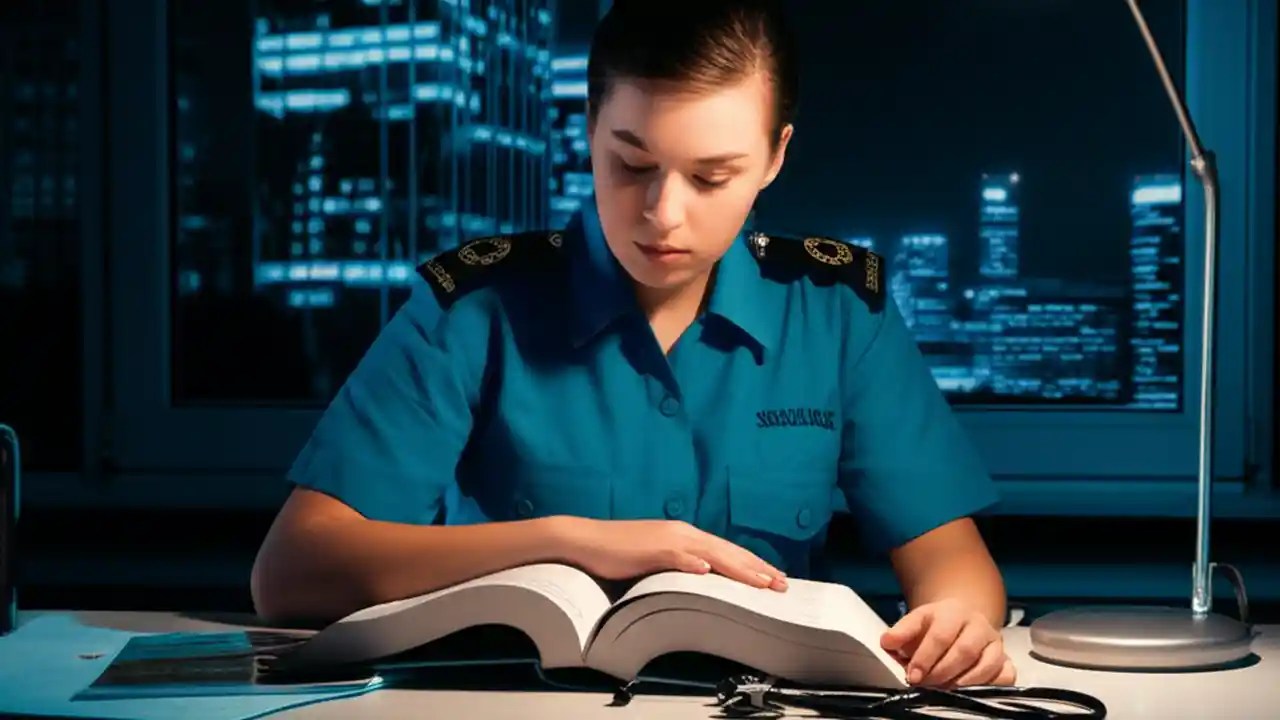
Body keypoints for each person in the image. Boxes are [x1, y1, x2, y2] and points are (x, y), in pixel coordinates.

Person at [251, 0, 1015, 689]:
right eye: (631, 164)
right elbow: (291, 572)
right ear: (587, 128)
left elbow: (952, 564)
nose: (664, 214)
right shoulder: (473, 307)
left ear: (776, 156)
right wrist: (568, 544)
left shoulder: (836, 313)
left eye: (712, 177)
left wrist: (958, 624)